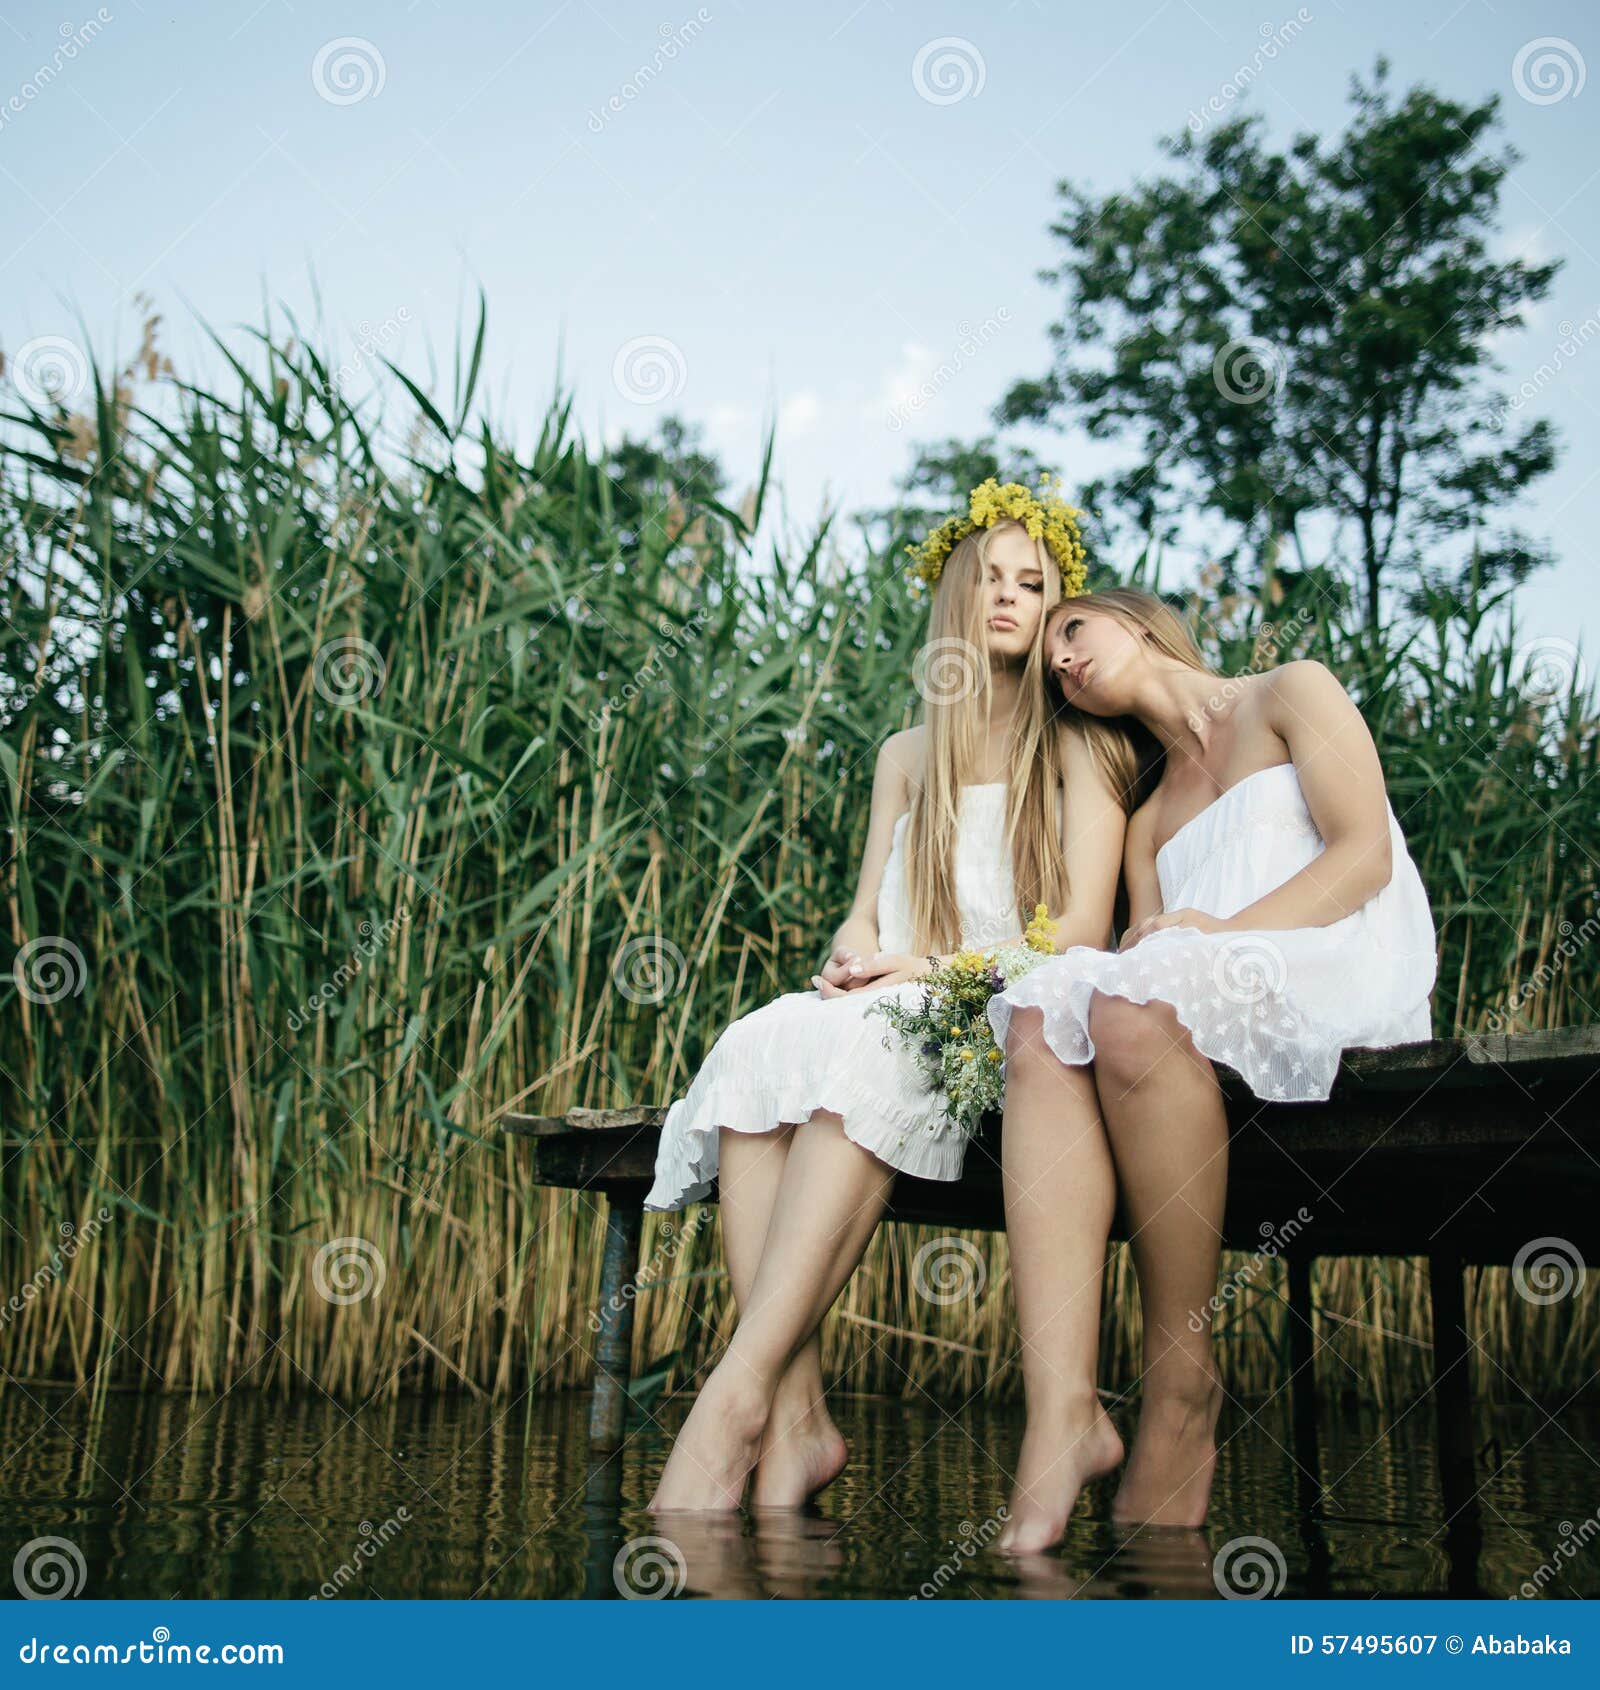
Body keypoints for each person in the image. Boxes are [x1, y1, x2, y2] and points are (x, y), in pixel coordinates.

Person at [645, 480, 1134, 1512]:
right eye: (988, 578)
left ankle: (736, 1395)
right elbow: (866, 912)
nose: (1007, 595)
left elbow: (1080, 934)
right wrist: (857, 950)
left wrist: (923, 972)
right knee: (759, 1041)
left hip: (999, 1005)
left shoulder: (1079, 748)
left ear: (1054, 608)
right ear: (956, 598)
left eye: (1030, 582)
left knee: (870, 1049)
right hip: (897, 993)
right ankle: (796, 1420)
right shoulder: (906, 757)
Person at [987, 587, 1437, 1551]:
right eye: (1052, 668)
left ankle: (1180, 1380)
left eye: (1073, 631)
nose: (1062, 660)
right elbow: (1147, 940)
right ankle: (1060, 1407)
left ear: (1137, 620)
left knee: (1135, 995)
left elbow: (1364, 858)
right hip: (1200, 1004)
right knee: (1040, 1016)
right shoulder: (1148, 820)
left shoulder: (1288, 692)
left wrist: (1224, 932)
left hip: (1334, 955)